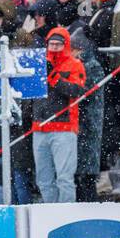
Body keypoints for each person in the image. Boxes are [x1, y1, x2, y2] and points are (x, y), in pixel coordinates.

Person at [32, 27, 87, 203]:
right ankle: (51, 212)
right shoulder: (39, 63)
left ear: (66, 45)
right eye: (51, 44)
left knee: (64, 179)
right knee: (43, 180)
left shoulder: (74, 64)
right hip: (39, 127)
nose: (54, 47)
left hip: (64, 128)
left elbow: (77, 90)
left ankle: (66, 214)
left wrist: (54, 77)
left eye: (58, 44)